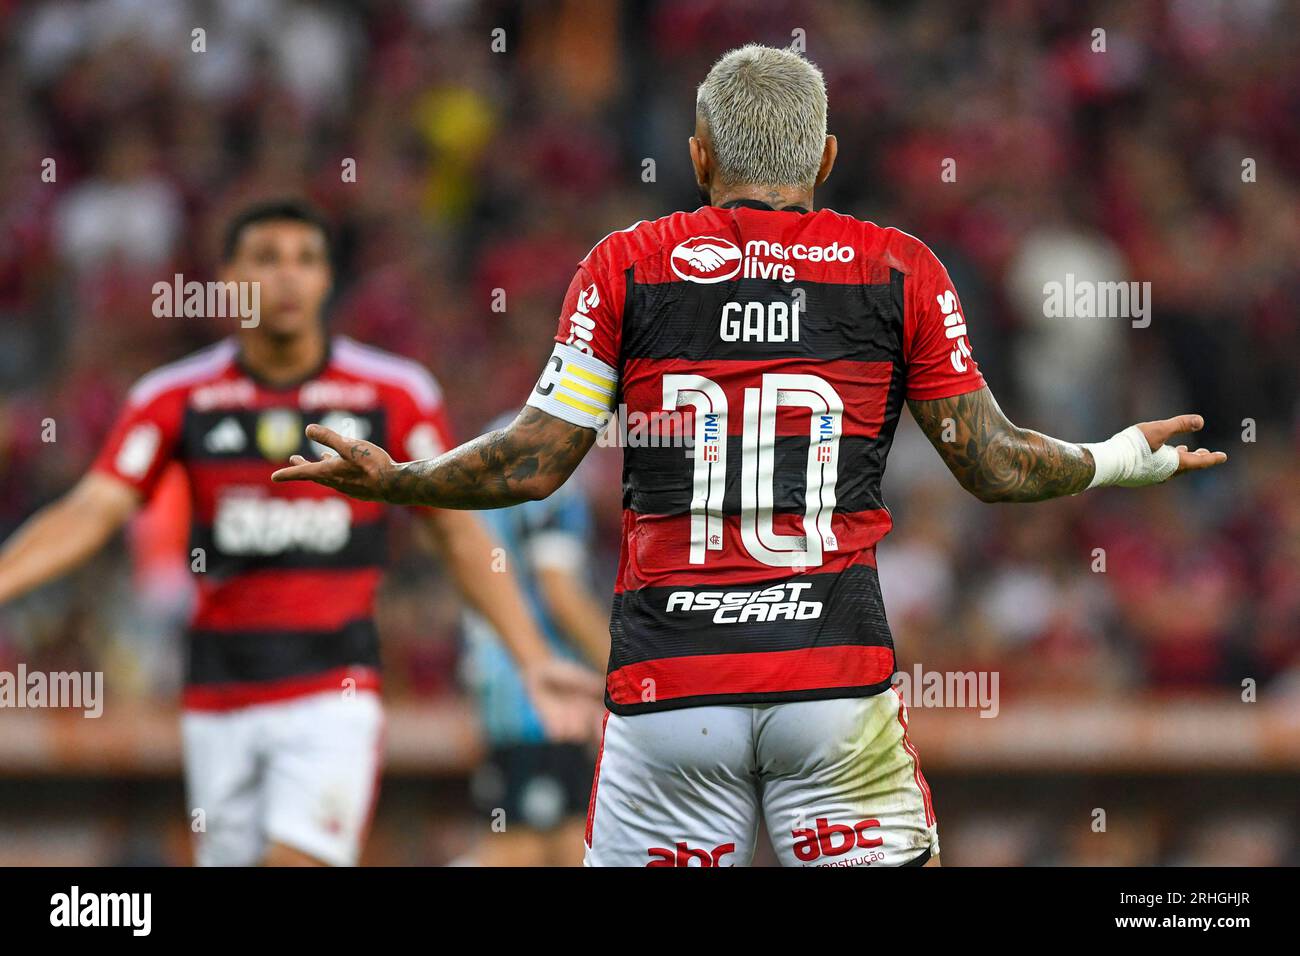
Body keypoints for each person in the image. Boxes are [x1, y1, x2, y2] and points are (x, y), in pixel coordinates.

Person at [271, 46, 1227, 868]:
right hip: (831, 678)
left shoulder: (625, 263)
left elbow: (533, 460)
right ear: (825, 157)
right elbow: (998, 465)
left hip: (668, 687)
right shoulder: (898, 268)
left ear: (697, 158)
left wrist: (401, 480)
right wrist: (1118, 460)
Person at [0, 199, 600, 867]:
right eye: (267, 258)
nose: (288, 277)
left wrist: (533, 657)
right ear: (228, 279)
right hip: (216, 697)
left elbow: (456, 537)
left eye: (306, 260)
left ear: (325, 280)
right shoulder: (176, 396)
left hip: (332, 694)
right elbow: (91, 509)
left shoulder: (392, 393)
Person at [460, 416, 610, 866]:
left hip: (507, 687)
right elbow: (559, 592)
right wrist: (627, 675)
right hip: (547, 698)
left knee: (564, 843)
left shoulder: (502, 439)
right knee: (530, 848)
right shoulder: (552, 457)